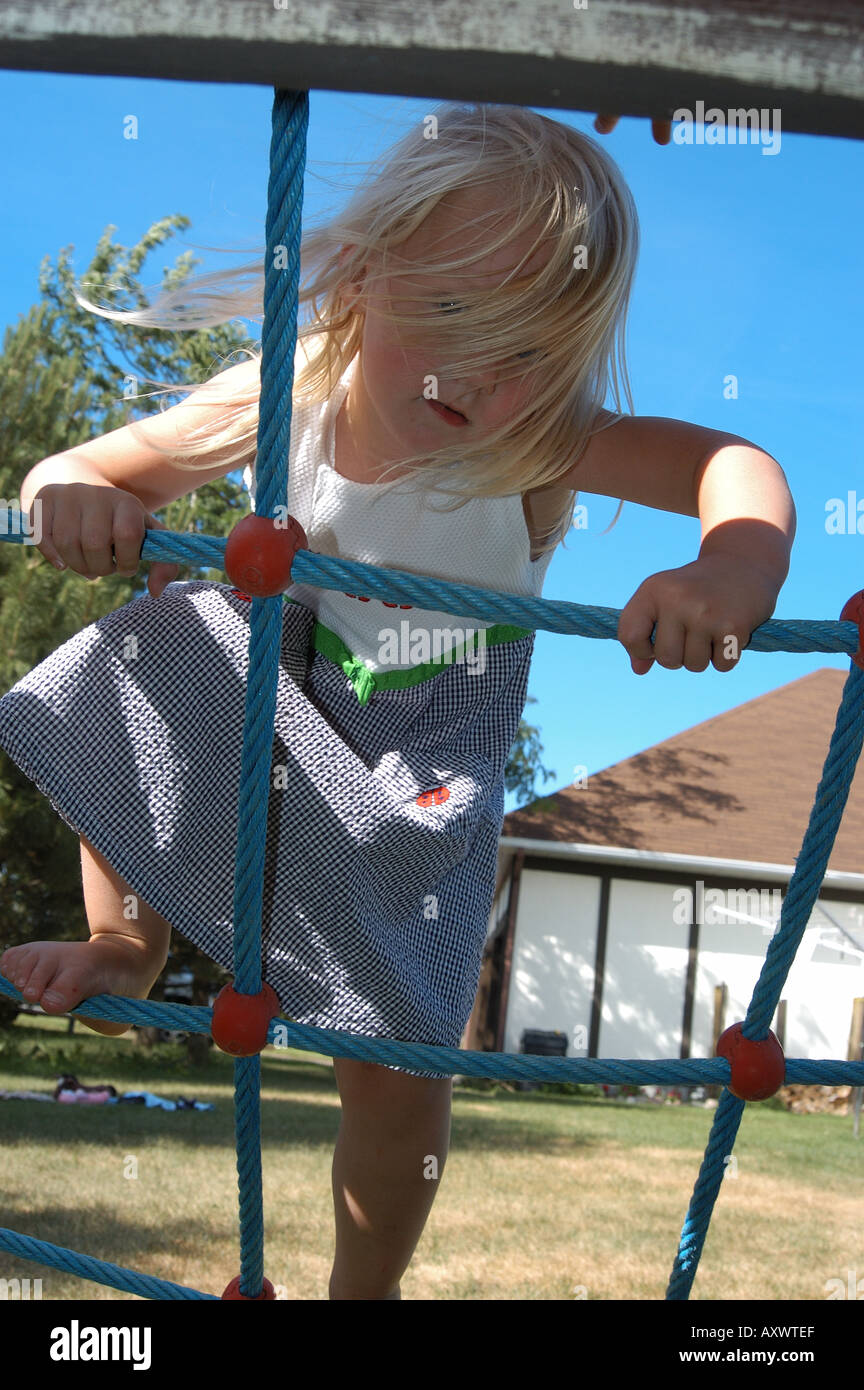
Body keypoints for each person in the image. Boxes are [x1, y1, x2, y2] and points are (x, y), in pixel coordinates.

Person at [0, 102, 795, 1299]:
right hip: (285, 667)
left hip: (425, 731)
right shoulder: (287, 385)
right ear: (366, 273)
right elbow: (89, 469)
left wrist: (731, 567)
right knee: (160, 637)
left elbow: (728, 466)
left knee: (395, 1053)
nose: (478, 374)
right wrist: (71, 492)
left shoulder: (536, 442)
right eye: (456, 312)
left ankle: (360, 1291)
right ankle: (128, 938)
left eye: (528, 345)